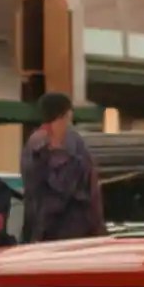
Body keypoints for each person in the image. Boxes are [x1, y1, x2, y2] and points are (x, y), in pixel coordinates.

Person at [21, 92, 107, 242]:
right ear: (66, 113)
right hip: (74, 230)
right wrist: (98, 226)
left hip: (42, 230)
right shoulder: (71, 142)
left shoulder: (32, 143)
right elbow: (88, 187)